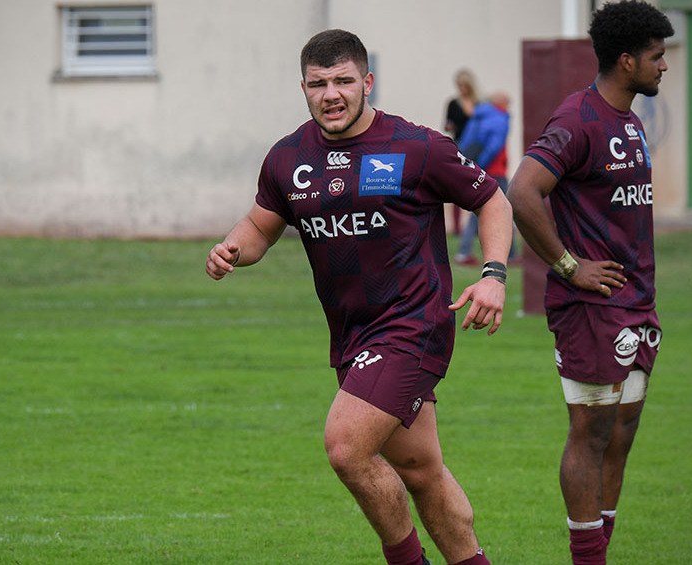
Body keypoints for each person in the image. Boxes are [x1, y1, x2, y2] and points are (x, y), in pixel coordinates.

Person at [206, 29, 512, 565]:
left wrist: (493, 275)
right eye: (318, 84)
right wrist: (232, 248)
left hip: (413, 324)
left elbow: (492, 200)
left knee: (346, 446)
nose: (331, 94)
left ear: (367, 82)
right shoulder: (288, 158)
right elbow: (259, 226)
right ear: (303, 88)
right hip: (353, 334)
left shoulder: (416, 147)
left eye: (343, 81)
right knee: (422, 471)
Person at [506, 2, 673, 564]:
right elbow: (522, 191)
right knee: (592, 432)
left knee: (623, 432)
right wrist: (569, 265)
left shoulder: (630, 121)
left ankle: (600, 553)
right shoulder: (577, 119)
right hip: (592, 307)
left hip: (637, 303)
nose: (664, 65)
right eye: (656, 56)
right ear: (626, 61)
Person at [454, 91, 517, 266]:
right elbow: (494, 146)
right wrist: (482, 165)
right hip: (495, 170)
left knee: (482, 210)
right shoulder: (500, 118)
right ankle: (510, 254)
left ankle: (465, 251)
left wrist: (474, 168)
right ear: (502, 103)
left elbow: (466, 142)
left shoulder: (478, 116)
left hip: (480, 169)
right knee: (503, 209)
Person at [445, 68, 479, 234]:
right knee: (456, 184)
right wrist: (450, 126)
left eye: (463, 86)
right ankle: (457, 226)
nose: (461, 89)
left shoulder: (479, 104)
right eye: (459, 86)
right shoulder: (453, 103)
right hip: (459, 145)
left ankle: (474, 225)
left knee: (476, 182)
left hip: (477, 146)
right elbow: (447, 123)